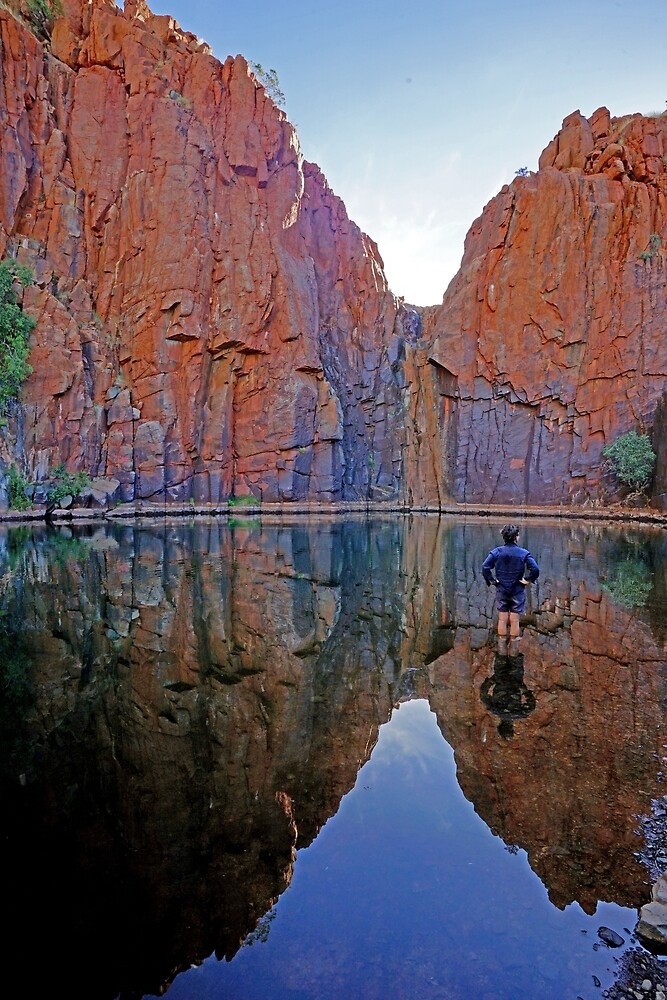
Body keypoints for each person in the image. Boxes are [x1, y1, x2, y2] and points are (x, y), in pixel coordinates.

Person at [482, 523, 539, 644]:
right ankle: (514, 647)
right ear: (516, 537)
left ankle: (501, 646)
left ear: (503, 536)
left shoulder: (496, 552)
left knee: (502, 620)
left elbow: (485, 567)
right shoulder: (523, 553)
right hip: (517, 589)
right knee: (514, 620)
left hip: (501, 588)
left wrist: (491, 580)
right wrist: (528, 579)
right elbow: (535, 569)